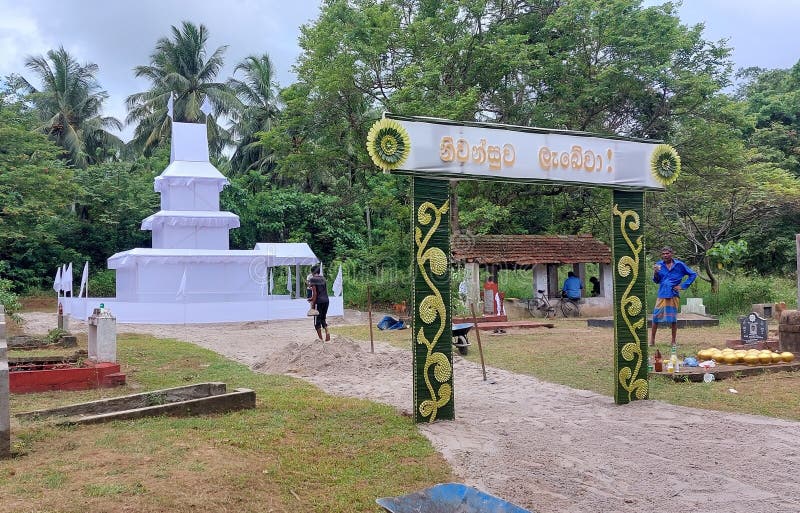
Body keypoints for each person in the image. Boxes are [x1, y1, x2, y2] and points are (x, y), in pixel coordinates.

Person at [649, 246, 697, 348]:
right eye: (663, 254)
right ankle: (652, 340)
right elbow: (656, 281)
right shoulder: (659, 265)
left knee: (673, 319)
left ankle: (673, 341)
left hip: (673, 294)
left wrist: (682, 286)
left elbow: (692, 274)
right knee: (656, 317)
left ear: (672, 254)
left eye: (667, 253)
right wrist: (655, 273)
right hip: (662, 294)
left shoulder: (679, 265)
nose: (665, 255)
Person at [308, 264, 330, 341]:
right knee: (323, 318)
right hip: (326, 300)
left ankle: (321, 340)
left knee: (317, 322)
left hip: (319, 302)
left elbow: (315, 294)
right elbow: (323, 291)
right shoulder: (323, 279)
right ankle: (327, 332)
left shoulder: (313, 279)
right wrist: (312, 298)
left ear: (312, 272)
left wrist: (313, 305)